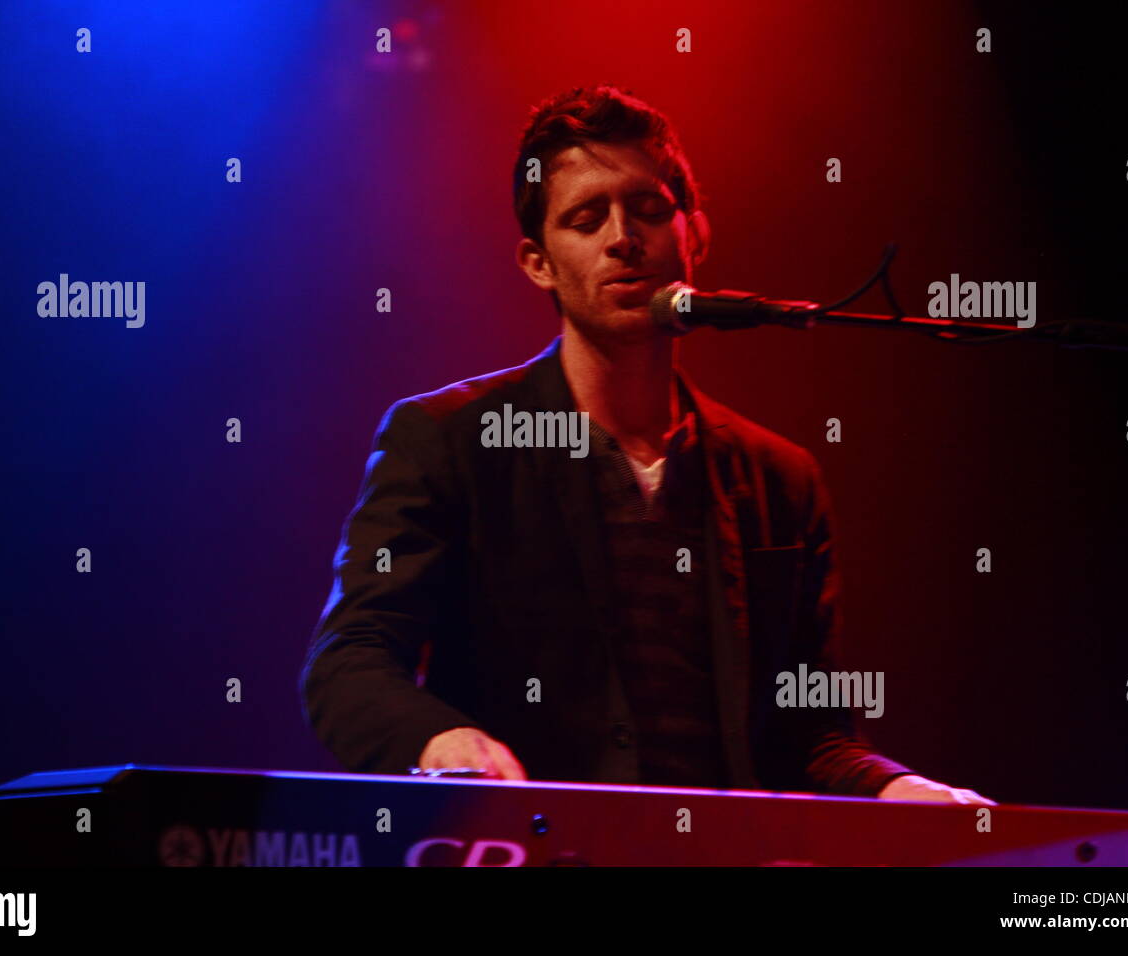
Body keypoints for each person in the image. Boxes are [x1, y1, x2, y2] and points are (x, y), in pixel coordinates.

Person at [300, 84, 993, 806]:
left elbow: (813, 735)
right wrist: (444, 743)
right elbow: (349, 663)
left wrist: (902, 790)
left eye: (649, 209)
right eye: (585, 218)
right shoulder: (447, 441)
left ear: (695, 235)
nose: (622, 236)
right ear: (538, 262)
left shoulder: (779, 479)